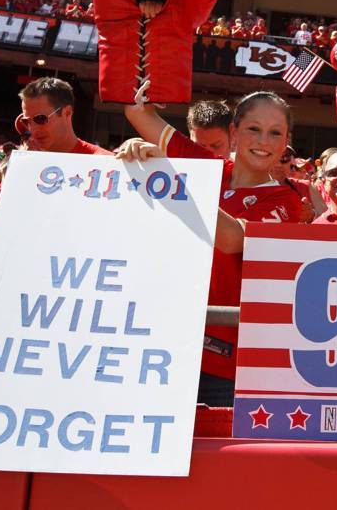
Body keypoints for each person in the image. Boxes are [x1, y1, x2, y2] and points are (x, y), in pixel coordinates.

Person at [121, 90, 302, 405]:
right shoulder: (207, 168)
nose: (264, 141)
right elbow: (138, 114)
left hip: (222, 361)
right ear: (234, 132)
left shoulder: (286, 202)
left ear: (286, 141)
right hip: (161, 343)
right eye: (253, 129)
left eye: (275, 133)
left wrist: (170, 176)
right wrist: (141, 144)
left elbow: (231, 240)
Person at [17, 77, 111, 155]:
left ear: (67, 113)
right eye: (26, 121)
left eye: (40, 119)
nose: (33, 130)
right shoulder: (22, 162)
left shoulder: (103, 162)